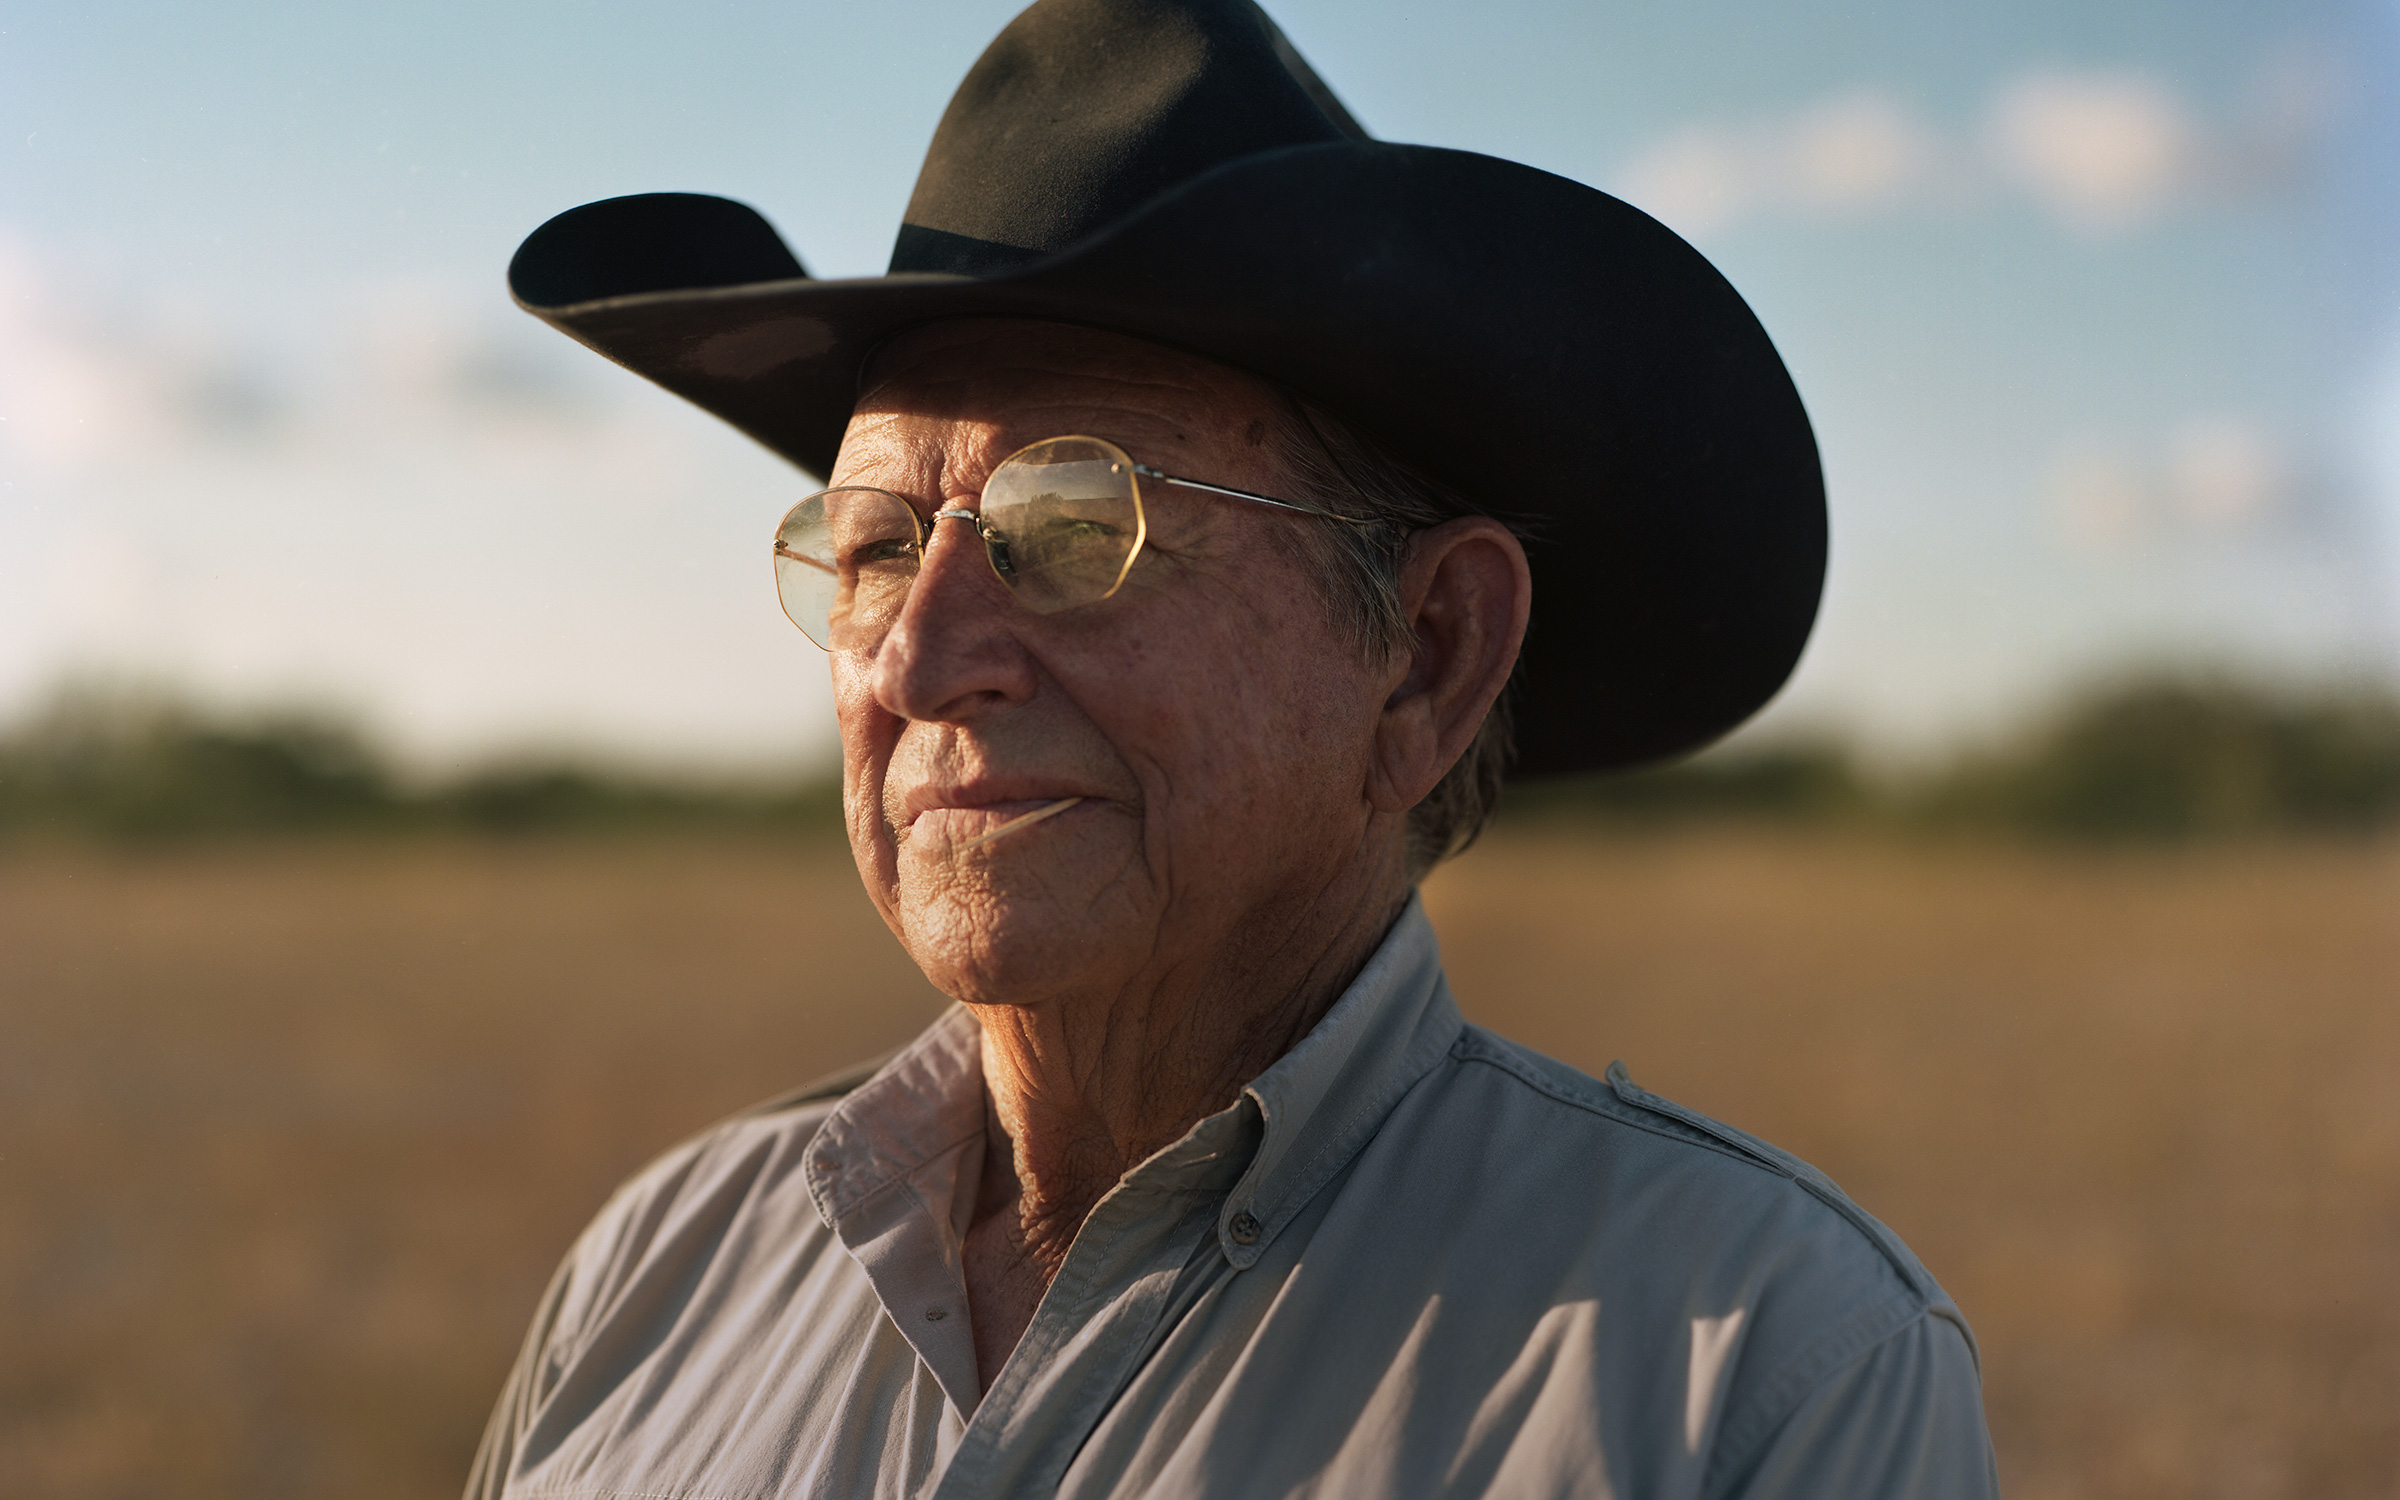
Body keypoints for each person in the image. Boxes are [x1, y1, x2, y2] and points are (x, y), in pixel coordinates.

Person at [469, 2, 2001, 1495]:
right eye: (872, 547)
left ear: (1427, 658)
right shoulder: (657, 1268)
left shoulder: (1756, 1375)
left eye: (1068, 524)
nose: (924, 660)